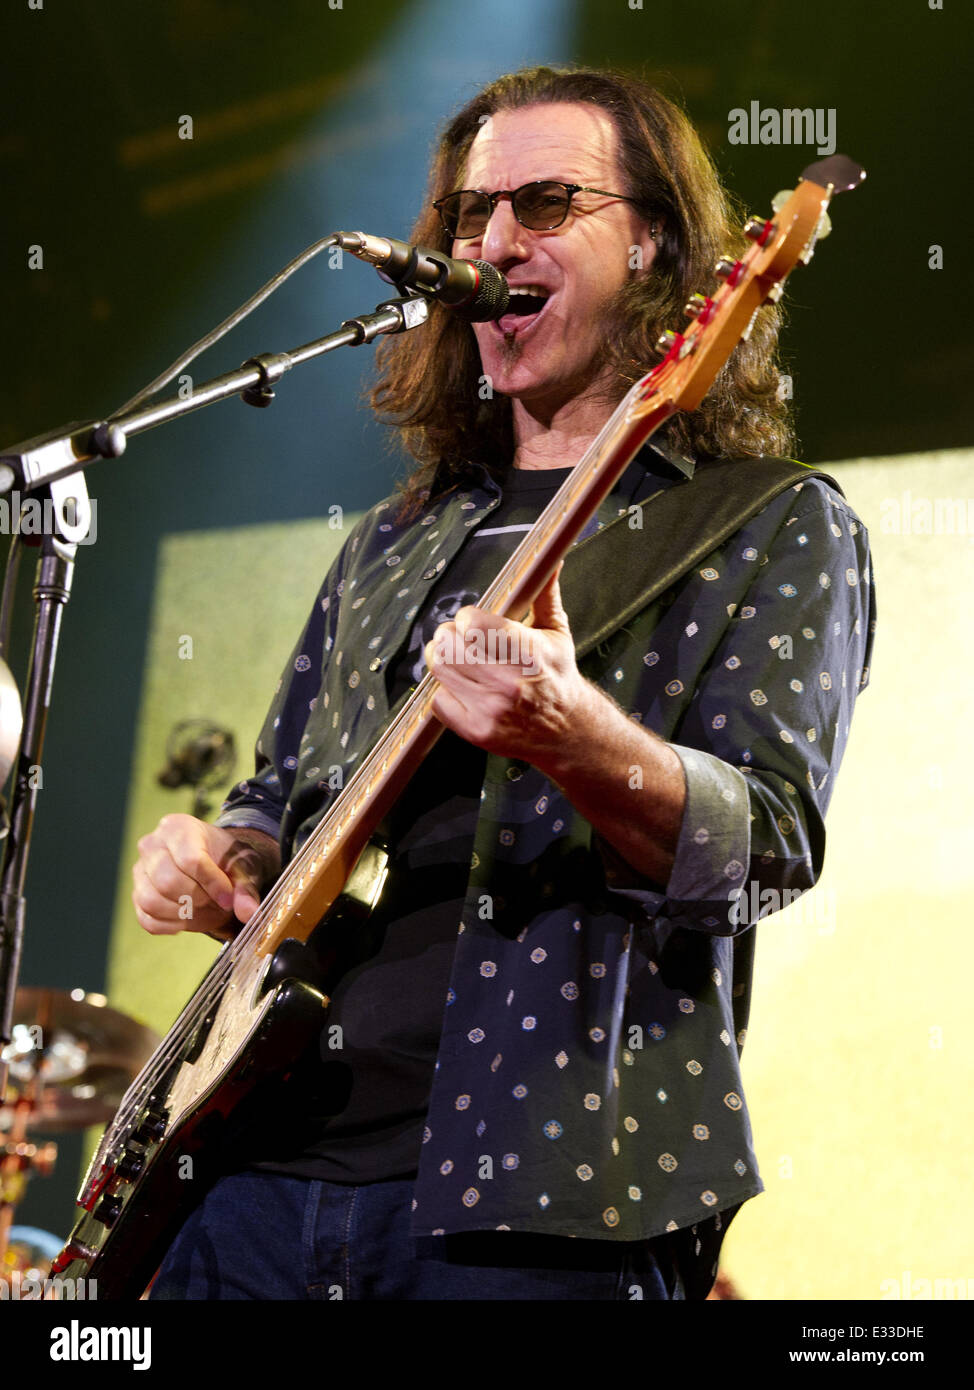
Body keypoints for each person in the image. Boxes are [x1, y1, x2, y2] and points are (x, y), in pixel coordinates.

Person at [133, 65, 875, 1301]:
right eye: (469, 215)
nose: (489, 243)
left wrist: (568, 731)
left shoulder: (768, 523)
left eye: (542, 204)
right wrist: (229, 857)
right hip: (265, 1166)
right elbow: (278, 793)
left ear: (651, 244)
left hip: (546, 1191)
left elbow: (767, 848)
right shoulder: (393, 535)